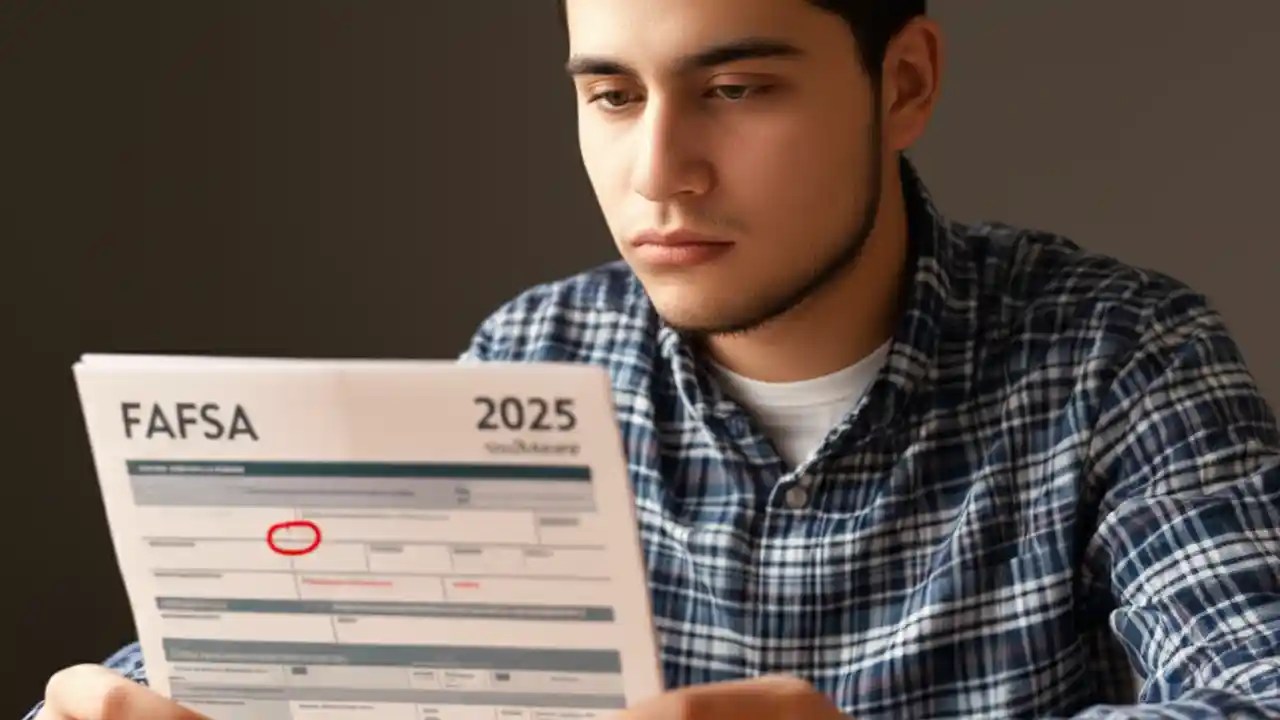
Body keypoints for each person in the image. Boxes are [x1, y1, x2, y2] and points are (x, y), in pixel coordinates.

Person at [30, 0, 1280, 718]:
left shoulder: (1115, 356)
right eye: (612, 96)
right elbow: (284, 663)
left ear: (900, 84)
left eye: (734, 90)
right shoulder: (533, 354)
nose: (657, 175)